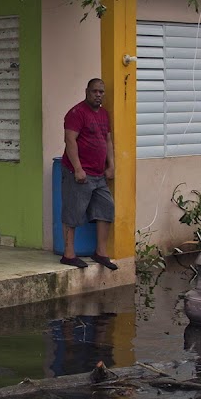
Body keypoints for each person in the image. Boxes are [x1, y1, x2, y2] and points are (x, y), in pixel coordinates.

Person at [60, 78, 118, 270]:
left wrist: (111, 165)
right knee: (73, 212)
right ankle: (68, 254)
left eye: (101, 92)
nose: (98, 95)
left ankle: (100, 252)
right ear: (86, 91)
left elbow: (107, 140)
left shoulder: (103, 114)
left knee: (106, 208)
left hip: (98, 174)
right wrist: (77, 168)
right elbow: (70, 140)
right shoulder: (77, 113)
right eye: (94, 91)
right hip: (78, 172)